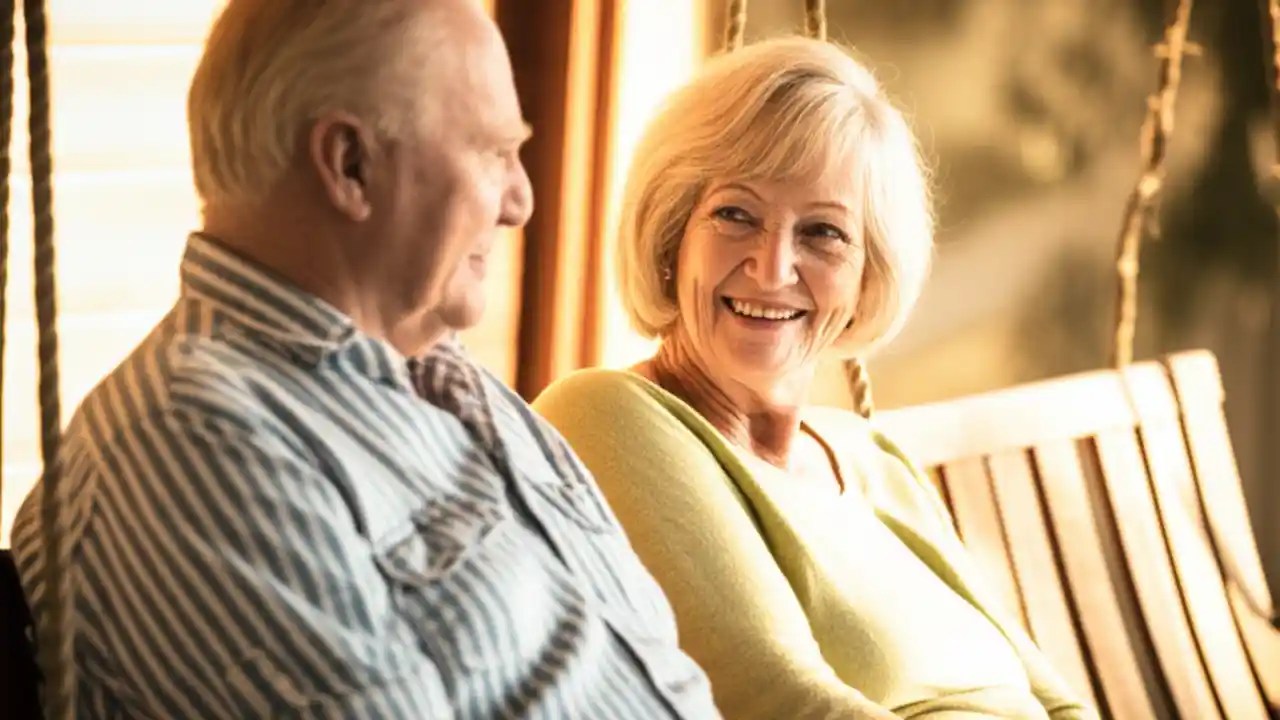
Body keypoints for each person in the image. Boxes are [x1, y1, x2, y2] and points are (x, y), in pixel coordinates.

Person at [9, 1, 721, 717]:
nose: (520, 201)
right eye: (492, 152)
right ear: (350, 164)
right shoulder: (193, 439)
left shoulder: (446, 374)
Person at [534, 37, 1099, 720]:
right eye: (735, 214)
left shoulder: (873, 459)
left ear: (868, 272)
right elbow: (781, 700)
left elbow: (1056, 701)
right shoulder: (604, 415)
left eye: (823, 232)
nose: (772, 268)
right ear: (674, 234)